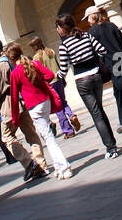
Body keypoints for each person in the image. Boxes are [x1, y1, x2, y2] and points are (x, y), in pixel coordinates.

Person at [0, 37, 48, 182]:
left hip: (10, 104)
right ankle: (41, 164)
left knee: (6, 136)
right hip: (22, 100)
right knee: (31, 133)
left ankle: (29, 163)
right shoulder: (10, 60)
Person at [54, 12, 120, 159]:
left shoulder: (64, 46)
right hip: (96, 76)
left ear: (62, 28)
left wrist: (56, 76)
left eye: (57, 27)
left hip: (82, 80)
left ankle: (110, 147)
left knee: (96, 114)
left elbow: (63, 70)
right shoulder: (86, 36)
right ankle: (112, 143)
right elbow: (102, 50)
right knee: (100, 111)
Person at [7, 42, 73, 179]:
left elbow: (14, 98)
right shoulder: (34, 64)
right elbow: (49, 75)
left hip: (33, 106)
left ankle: (64, 166)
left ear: (11, 59)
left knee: (48, 137)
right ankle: (58, 167)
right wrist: (39, 80)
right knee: (48, 135)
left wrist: (15, 118)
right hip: (45, 101)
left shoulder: (15, 73)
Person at [29, 36, 75, 137]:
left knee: (57, 106)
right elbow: (59, 64)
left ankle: (68, 130)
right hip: (58, 79)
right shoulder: (51, 51)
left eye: (32, 46)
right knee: (63, 101)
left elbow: (37, 73)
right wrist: (62, 78)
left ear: (36, 46)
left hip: (49, 83)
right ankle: (71, 115)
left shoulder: (36, 58)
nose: (32, 49)